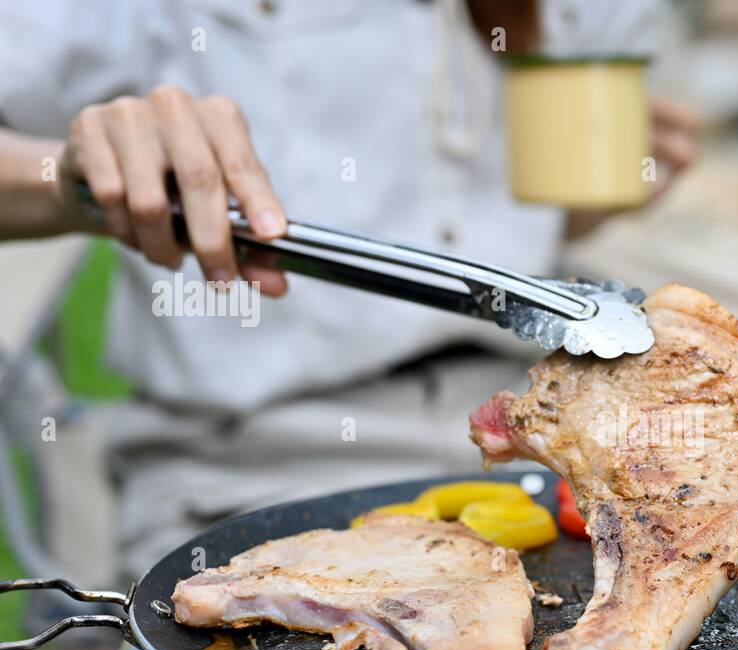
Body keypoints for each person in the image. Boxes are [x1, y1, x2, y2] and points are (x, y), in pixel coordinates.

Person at [0, 0, 697, 578]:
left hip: (528, 429)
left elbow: (530, 211)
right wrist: (69, 175)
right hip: (255, 463)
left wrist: (613, 182)